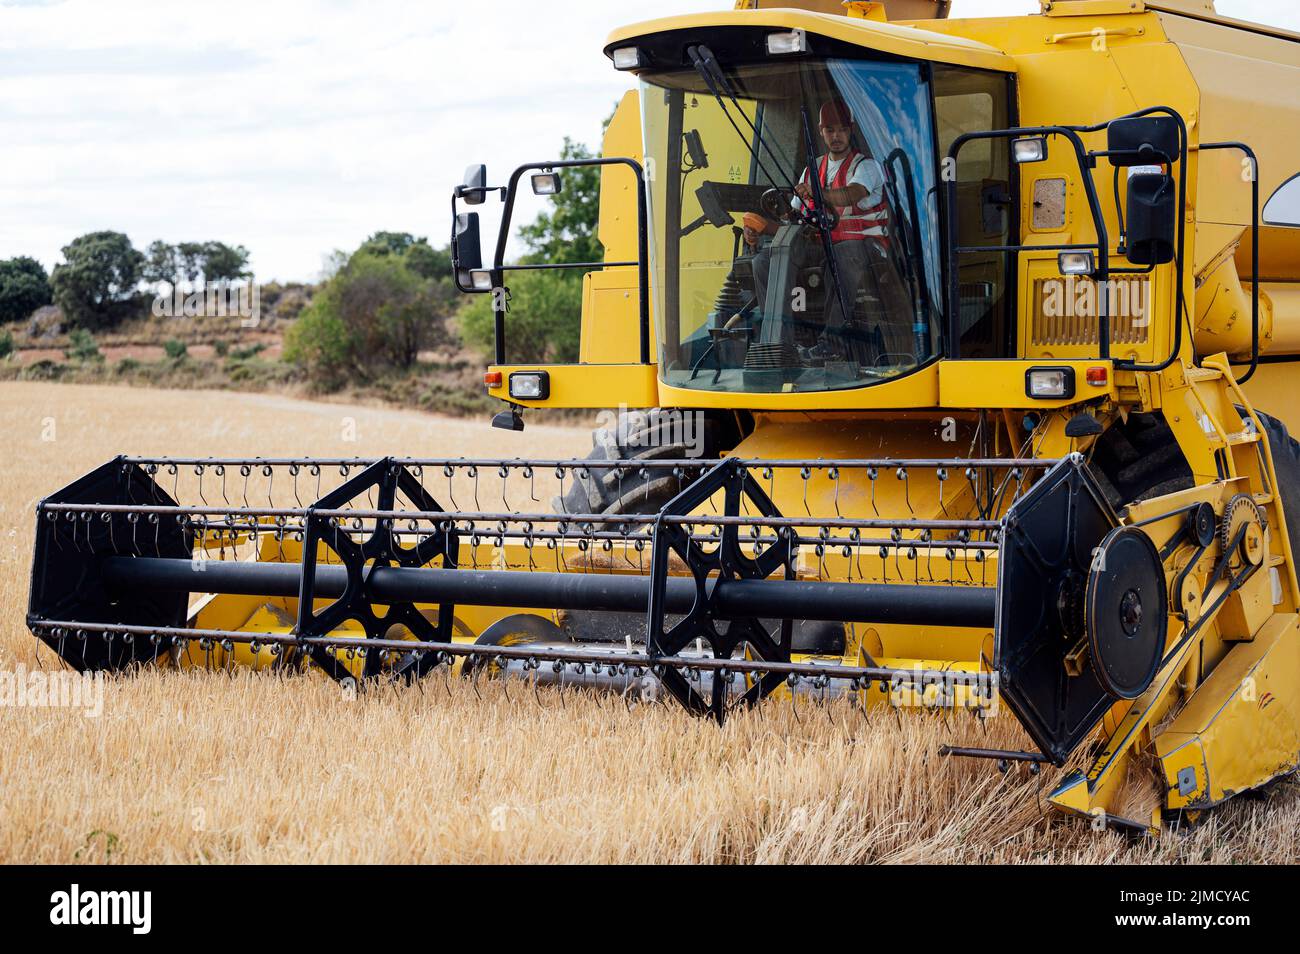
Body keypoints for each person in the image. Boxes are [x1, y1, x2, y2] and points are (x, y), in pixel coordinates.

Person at [750, 99, 910, 363]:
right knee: (766, 259)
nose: (836, 136)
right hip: (824, 246)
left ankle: (831, 344)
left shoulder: (866, 167)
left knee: (844, 254)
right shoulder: (810, 171)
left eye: (842, 130)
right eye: (830, 130)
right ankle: (780, 344)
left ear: (851, 130)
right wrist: (763, 229)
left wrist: (817, 192)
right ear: (821, 131)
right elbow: (796, 220)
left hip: (866, 248)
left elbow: (851, 195)